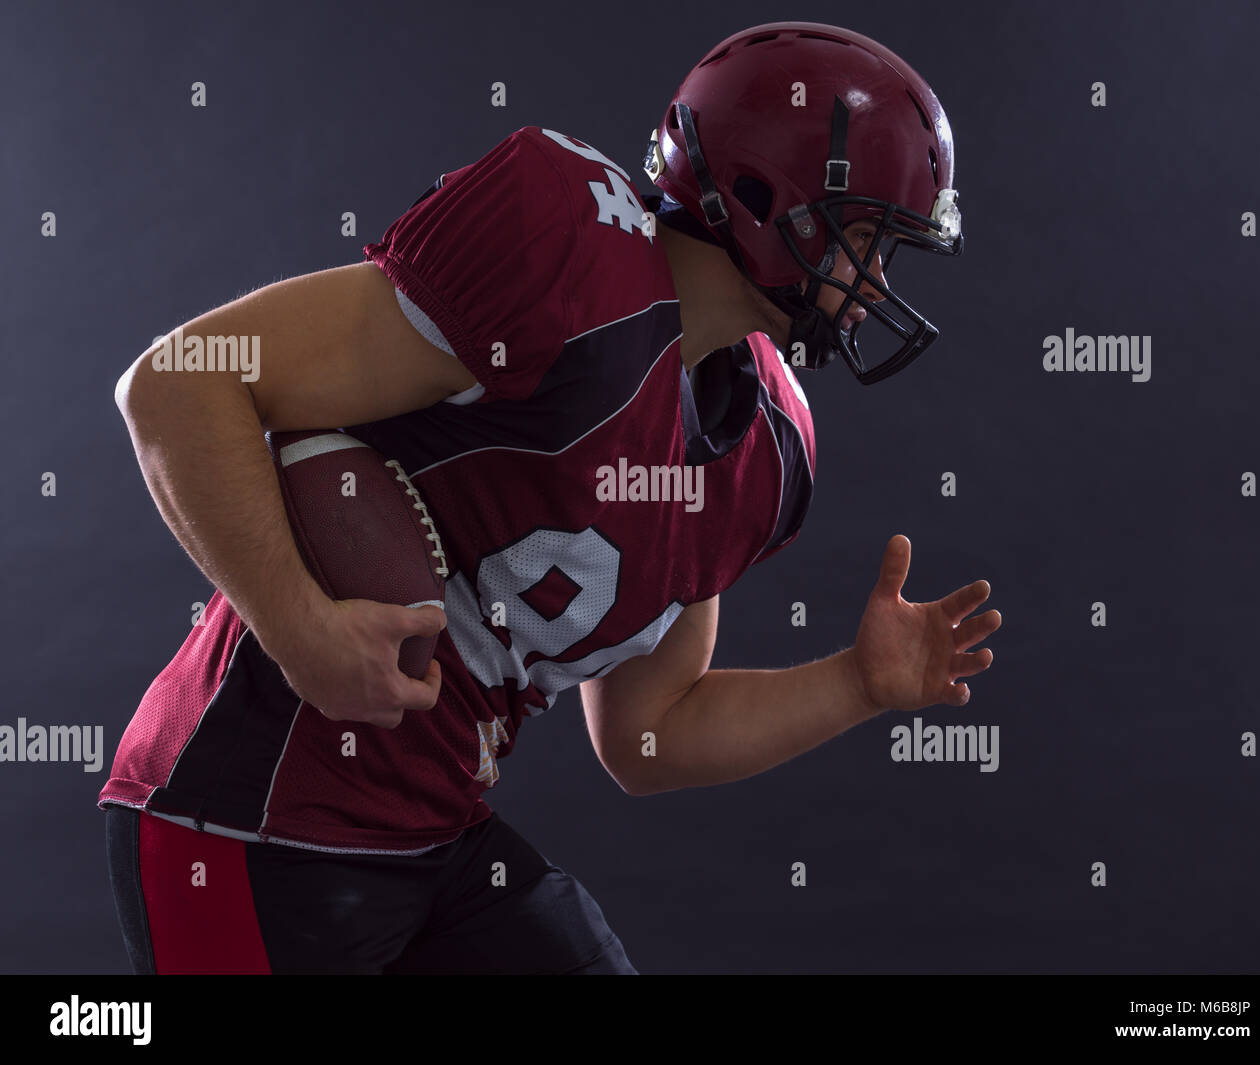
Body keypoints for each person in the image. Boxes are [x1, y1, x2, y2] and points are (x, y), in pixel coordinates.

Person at [100, 20, 1000, 974]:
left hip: (432, 838)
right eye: (863, 237)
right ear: (766, 196)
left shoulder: (766, 447)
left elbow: (648, 737)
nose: (873, 281)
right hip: (243, 820)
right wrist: (297, 628)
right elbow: (177, 382)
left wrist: (854, 685)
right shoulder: (569, 244)